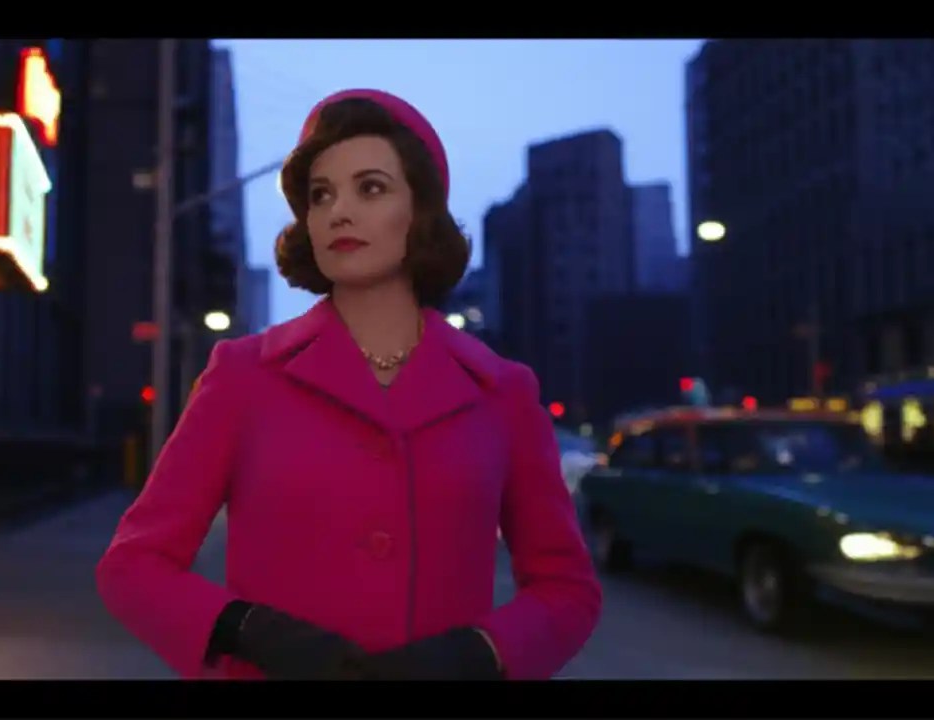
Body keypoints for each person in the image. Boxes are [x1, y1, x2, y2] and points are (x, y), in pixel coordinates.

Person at [96, 88, 601, 680]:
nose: (339, 211)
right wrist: (247, 629)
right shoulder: (243, 376)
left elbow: (567, 589)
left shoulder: (502, 393)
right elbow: (134, 565)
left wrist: (482, 651)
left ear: (421, 213)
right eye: (320, 194)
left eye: (371, 188)